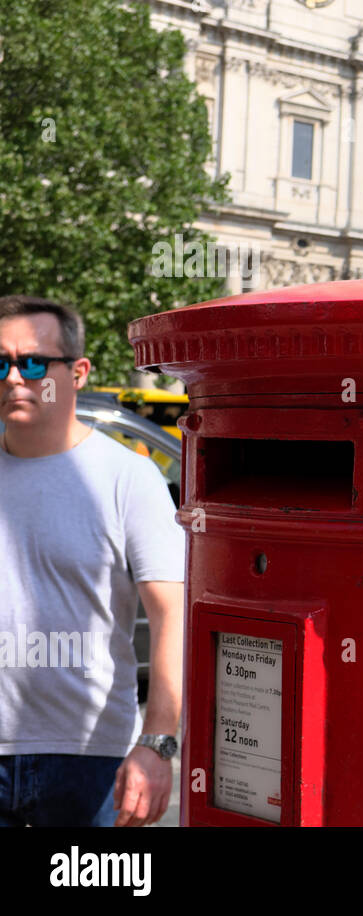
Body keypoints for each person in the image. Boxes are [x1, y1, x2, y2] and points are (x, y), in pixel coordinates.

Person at [0, 295, 184, 826]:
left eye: (34, 363)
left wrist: (157, 745)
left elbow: (172, 615)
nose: (16, 378)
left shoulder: (129, 478)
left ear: (76, 373)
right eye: (2, 362)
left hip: (89, 761)